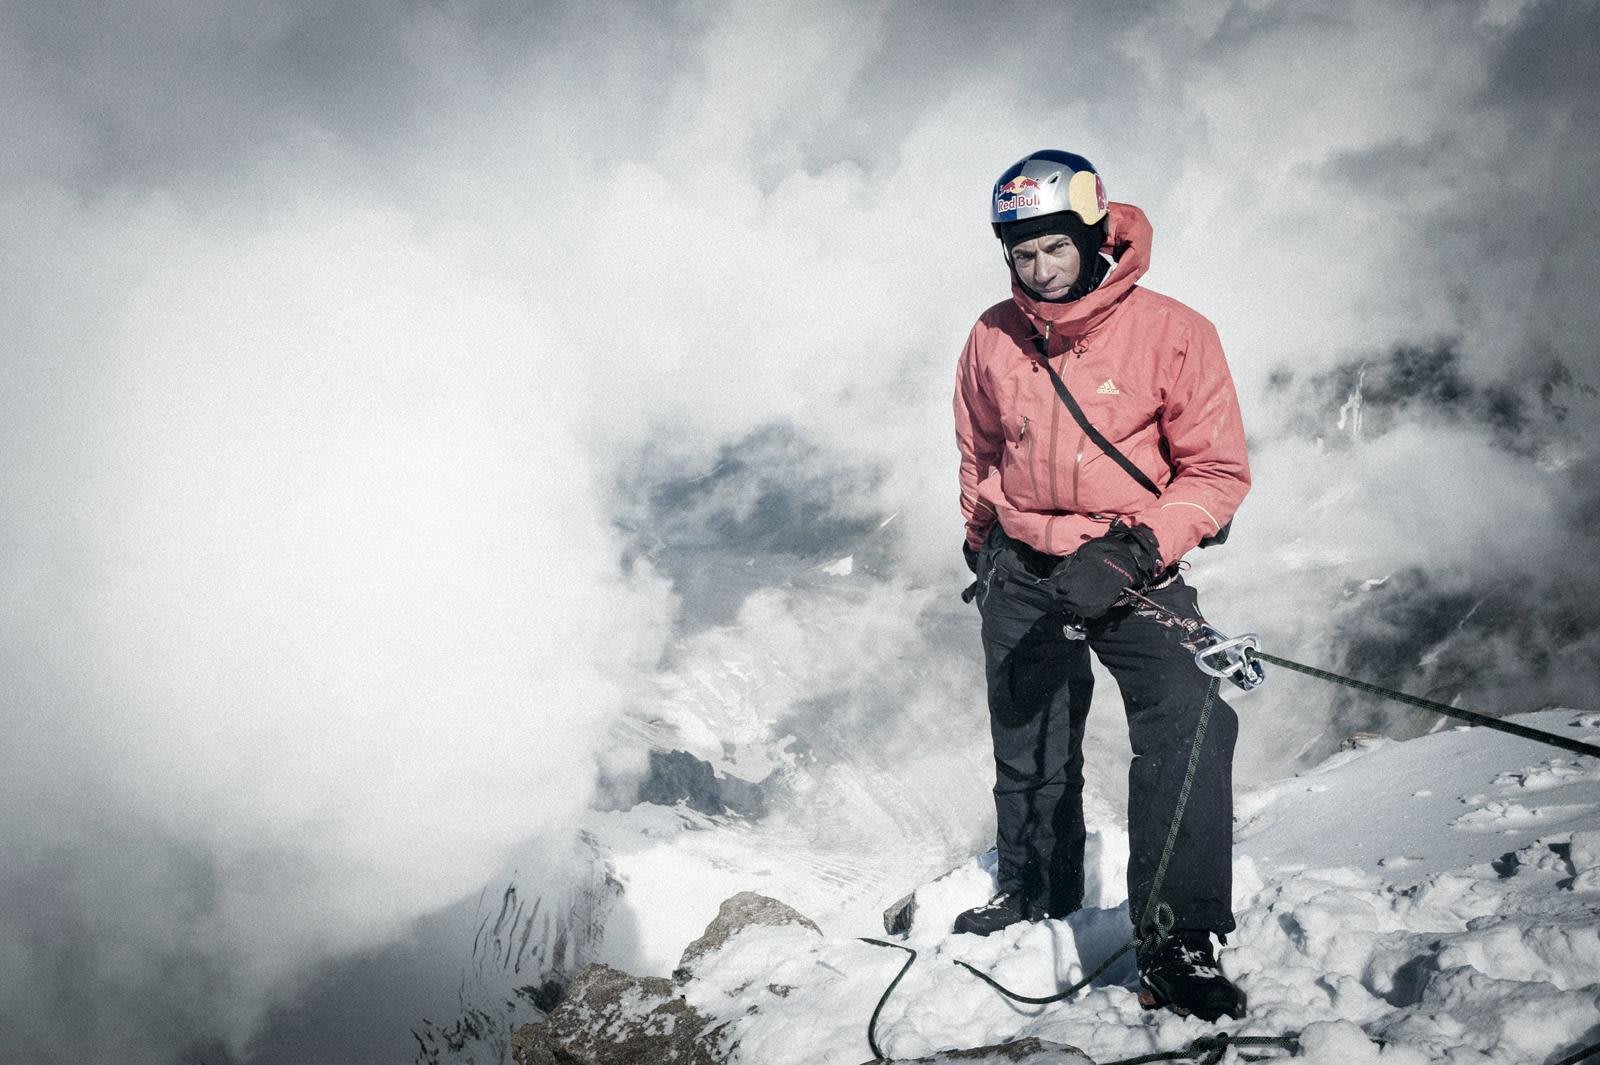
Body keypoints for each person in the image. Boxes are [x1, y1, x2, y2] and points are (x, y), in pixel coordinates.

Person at [952, 150, 1251, 1022]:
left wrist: (1134, 548)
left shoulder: (1173, 332)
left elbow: (1217, 471)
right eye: (1021, 254)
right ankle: (1034, 889)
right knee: (1029, 734)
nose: (1039, 271)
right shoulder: (990, 336)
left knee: (1189, 711)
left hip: (1128, 565)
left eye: (1054, 249)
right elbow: (979, 453)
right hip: (1022, 563)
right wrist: (984, 545)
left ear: (1093, 237)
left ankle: (1177, 933)